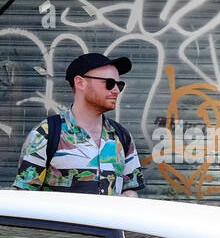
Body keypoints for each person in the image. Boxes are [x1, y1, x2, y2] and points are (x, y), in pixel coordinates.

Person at [13, 52, 142, 195]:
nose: (116, 90)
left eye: (120, 85)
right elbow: (24, 195)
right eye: (109, 83)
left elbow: (130, 189)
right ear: (80, 82)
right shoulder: (46, 134)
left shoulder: (121, 136)